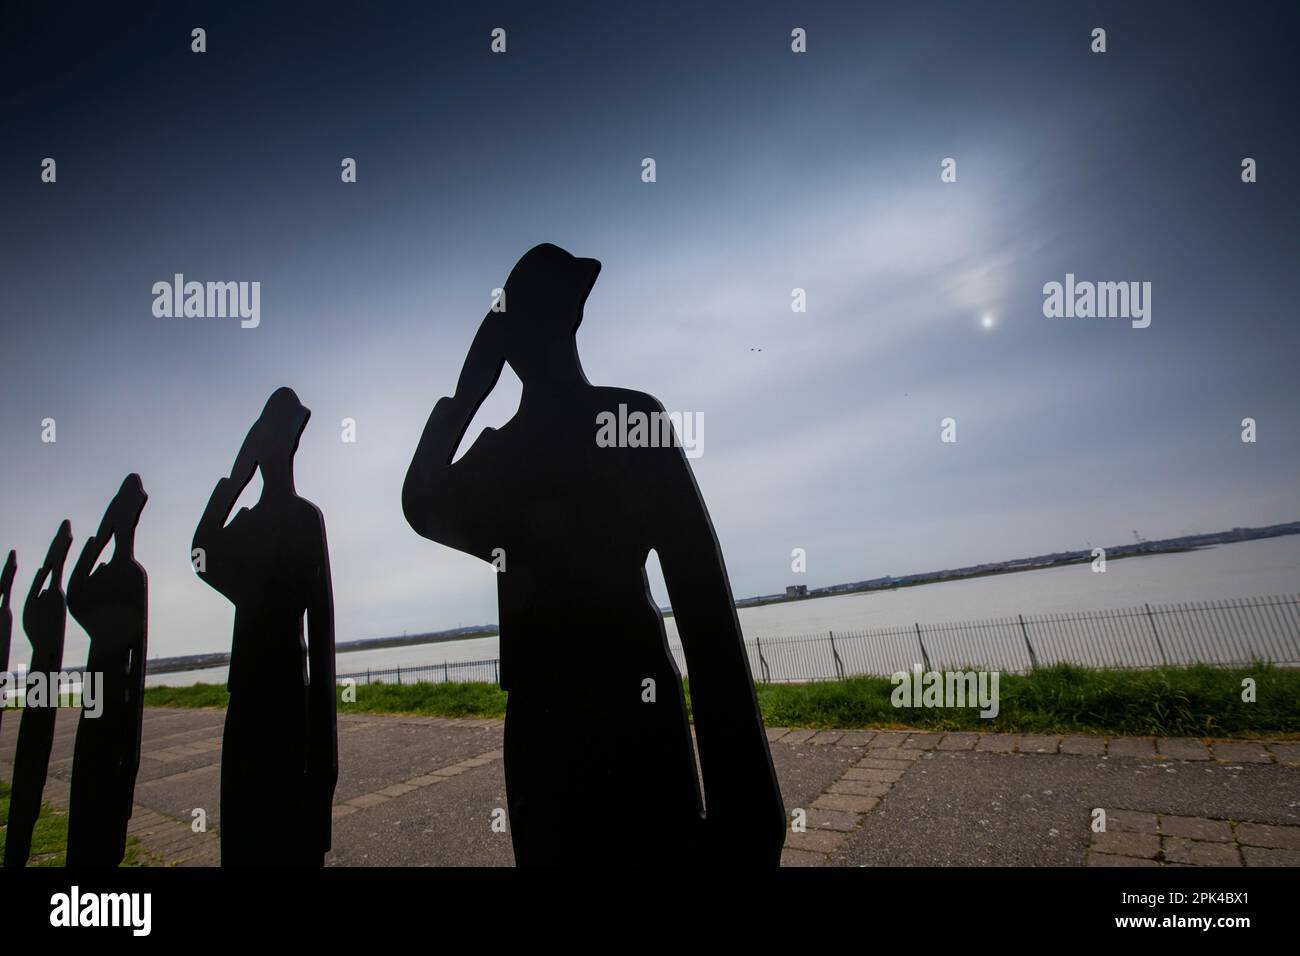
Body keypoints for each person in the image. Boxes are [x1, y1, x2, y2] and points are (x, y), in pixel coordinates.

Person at [403, 243, 785, 866]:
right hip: (624, 720)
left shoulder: (503, 458)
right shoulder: (630, 419)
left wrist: (465, 396)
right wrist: (746, 803)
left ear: (504, 347)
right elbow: (705, 609)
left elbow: (421, 500)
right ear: (574, 318)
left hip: (550, 736)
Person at [193, 388, 337, 867]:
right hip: (250, 710)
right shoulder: (249, 527)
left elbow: (322, 639)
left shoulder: (302, 519)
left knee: (285, 843)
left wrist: (324, 762)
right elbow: (201, 553)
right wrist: (236, 478)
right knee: (244, 838)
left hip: (287, 710)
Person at [66, 474, 149, 867]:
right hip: (98, 701)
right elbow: (75, 593)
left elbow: (138, 660)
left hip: (113, 701)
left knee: (105, 805)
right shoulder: (113, 577)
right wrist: (100, 537)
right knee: (87, 791)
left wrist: (132, 747)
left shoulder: (131, 576)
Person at [4, 520, 72, 867]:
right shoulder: (51, 601)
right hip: (39, 687)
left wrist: (48, 568)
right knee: (29, 769)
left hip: (40, 688)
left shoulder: (50, 601)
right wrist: (50, 567)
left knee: (31, 771)